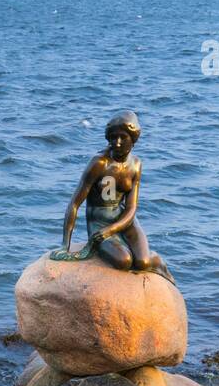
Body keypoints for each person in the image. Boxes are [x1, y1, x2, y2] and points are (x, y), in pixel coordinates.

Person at [50, 109, 175, 284]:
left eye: (123, 137)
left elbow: (131, 208)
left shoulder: (136, 165)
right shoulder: (99, 163)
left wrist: (112, 230)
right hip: (99, 222)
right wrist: (65, 245)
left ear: (133, 139)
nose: (117, 143)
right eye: (113, 137)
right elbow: (74, 204)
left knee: (143, 262)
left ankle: (157, 263)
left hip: (124, 220)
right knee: (124, 261)